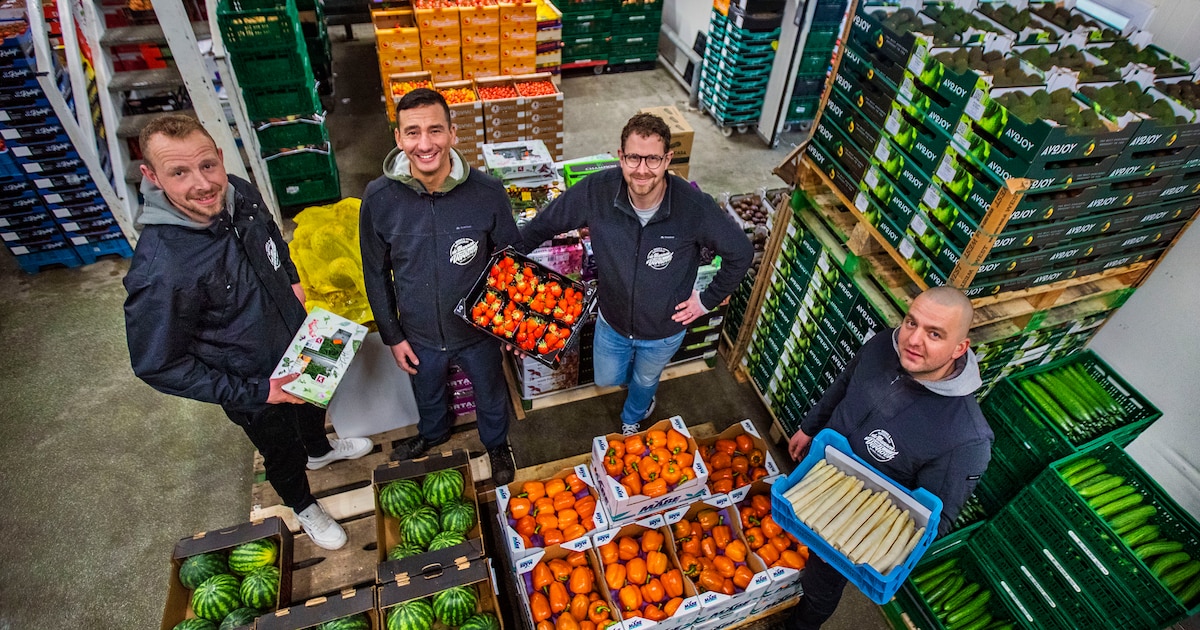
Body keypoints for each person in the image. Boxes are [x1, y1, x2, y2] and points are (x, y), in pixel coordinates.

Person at [123, 114, 372, 551]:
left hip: (299, 338)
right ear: (152, 177)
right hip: (254, 381)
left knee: (315, 403)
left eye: (207, 165)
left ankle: (320, 450)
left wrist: (292, 279)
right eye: (179, 172)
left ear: (220, 157)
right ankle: (302, 504)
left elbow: (272, 234)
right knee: (281, 449)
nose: (203, 183)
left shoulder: (239, 192)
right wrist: (259, 391)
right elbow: (157, 364)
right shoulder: (162, 269)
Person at [518, 112, 754, 435]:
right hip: (612, 321)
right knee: (606, 378)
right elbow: (541, 226)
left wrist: (706, 301)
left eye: (653, 159)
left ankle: (633, 415)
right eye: (633, 158)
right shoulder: (597, 192)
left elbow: (741, 252)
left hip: (663, 330)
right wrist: (501, 268)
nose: (642, 169)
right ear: (621, 157)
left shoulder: (693, 207)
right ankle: (635, 387)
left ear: (667, 159)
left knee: (645, 379)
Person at [781, 286, 994, 629]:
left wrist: (860, 543)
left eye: (934, 334)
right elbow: (844, 383)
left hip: (846, 528)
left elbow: (931, 522)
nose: (913, 339)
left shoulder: (965, 438)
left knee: (819, 589)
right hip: (815, 474)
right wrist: (810, 427)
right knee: (783, 538)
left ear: (960, 348)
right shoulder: (883, 345)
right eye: (912, 322)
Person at [360, 88, 521, 484]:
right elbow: (375, 273)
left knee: (491, 392)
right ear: (398, 138)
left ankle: (496, 443)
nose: (425, 143)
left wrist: (511, 323)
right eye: (412, 132)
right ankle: (433, 433)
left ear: (452, 133)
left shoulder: (487, 193)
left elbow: (511, 263)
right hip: (418, 332)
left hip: (478, 331)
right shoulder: (379, 199)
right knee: (427, 391)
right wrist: (393, 335)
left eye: (435, 130)